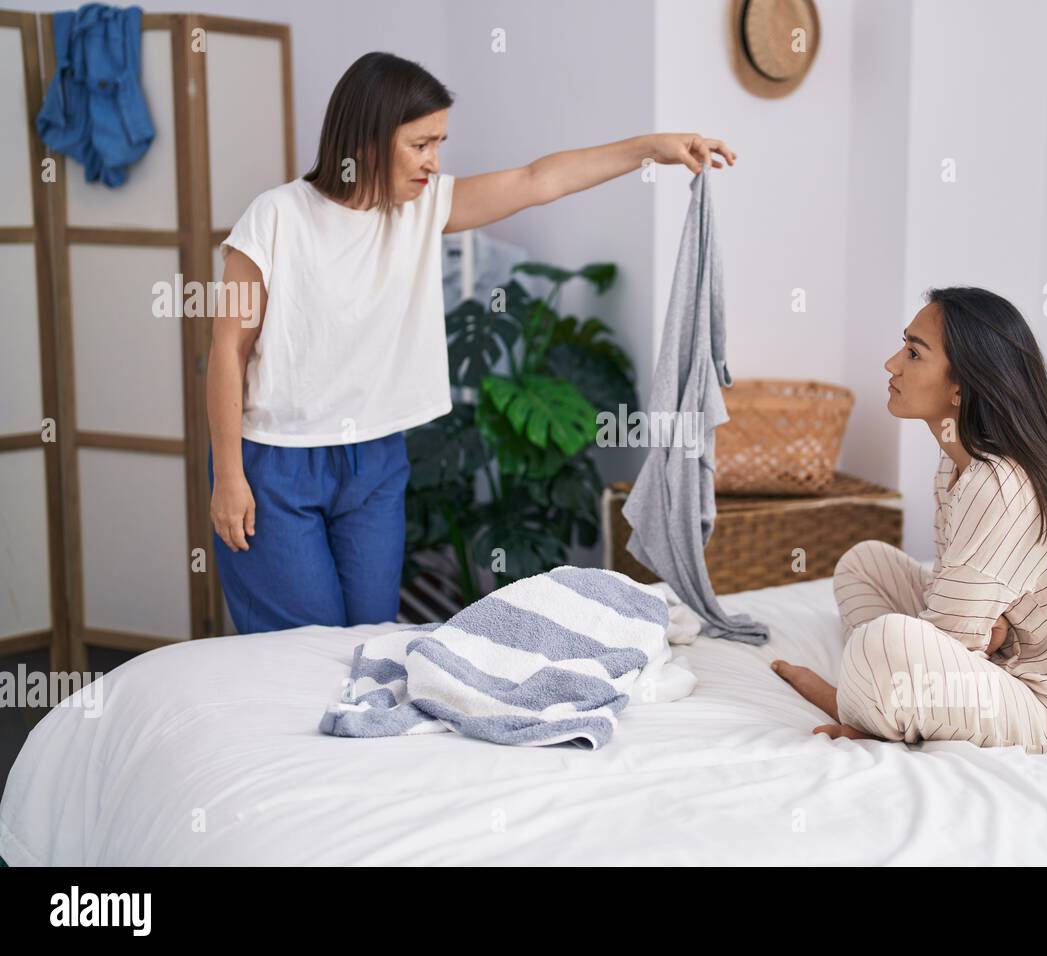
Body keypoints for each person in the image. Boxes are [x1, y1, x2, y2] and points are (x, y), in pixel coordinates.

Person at [206, 51, 736, 634]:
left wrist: (651, 148)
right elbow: (228, 351)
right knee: (300, 650)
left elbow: (539, 180)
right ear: (367, 138)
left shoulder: (424, 207)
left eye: (440, 142)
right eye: (421, 144)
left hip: (376, 459)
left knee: (371, 639)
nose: (435, 162)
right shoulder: (276, 217)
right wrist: (231, 477)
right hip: (277, 461)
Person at [772, 287, 1047, 755]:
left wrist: (977, 634)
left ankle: (856, 706)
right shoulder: (958, 461)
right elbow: (965, 607)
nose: (892, 364)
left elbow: (949, 638)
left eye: (913, 353)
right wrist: (985, 629)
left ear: (961, 387)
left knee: (884, 643)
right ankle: (878, 701)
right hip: (1006, 663)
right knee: (863, 563)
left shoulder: (997, 482)